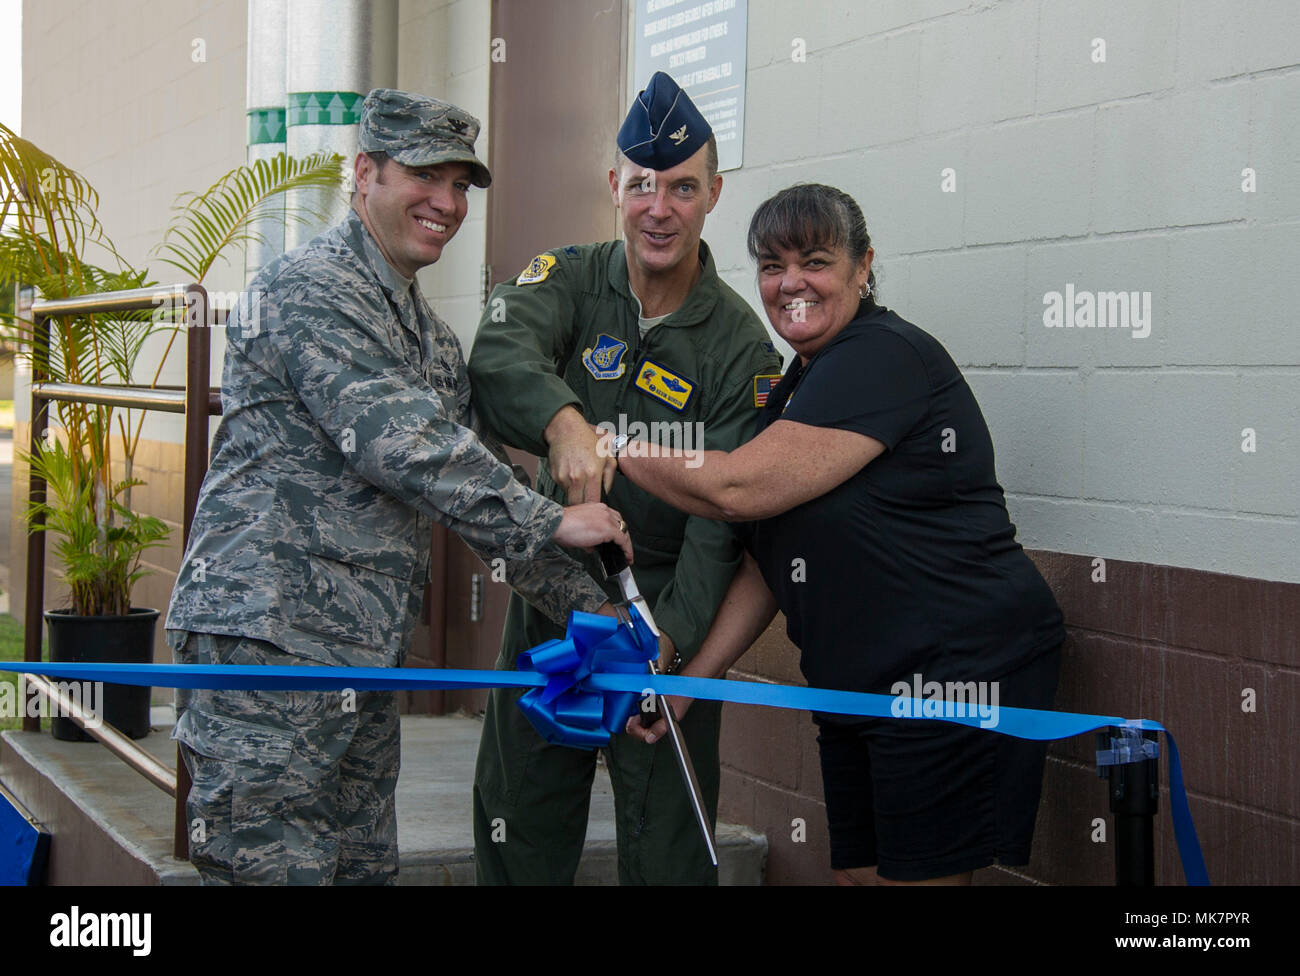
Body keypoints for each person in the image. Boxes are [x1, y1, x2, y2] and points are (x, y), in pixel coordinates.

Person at [164, 88, 632, 886]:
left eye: (461, 186)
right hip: (269, 649)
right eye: (426, 177)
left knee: (359, 874)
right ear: (366, 173)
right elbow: (401, 444)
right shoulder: (309, 289)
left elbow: (481, 493)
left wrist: (612, 624)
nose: (447, 203)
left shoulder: (430, 340)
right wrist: (550, 520)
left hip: (360, 664)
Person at [618, 183, 1066, 885]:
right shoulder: (800, 384)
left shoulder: (882, 355)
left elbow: (738, 489)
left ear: (864, 266)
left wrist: (607, 446)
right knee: (858, 876)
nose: (790, 282)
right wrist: (694, 682)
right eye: (771, 265)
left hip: (950, 669)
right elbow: (770, 559)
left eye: (816, 261)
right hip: (860, 679)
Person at [467, 71, 783, 885]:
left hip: (663, 619)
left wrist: (670, 642)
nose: (659, 208)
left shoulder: (742, 347)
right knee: (519, 825)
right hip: (550, 605)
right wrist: (563, 420)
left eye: (682, 187)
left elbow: (726, 515)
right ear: (615, 186)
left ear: (714, 193)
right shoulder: (569, 277)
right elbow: (498, 354)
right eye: (641, 185)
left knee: (669, 847)